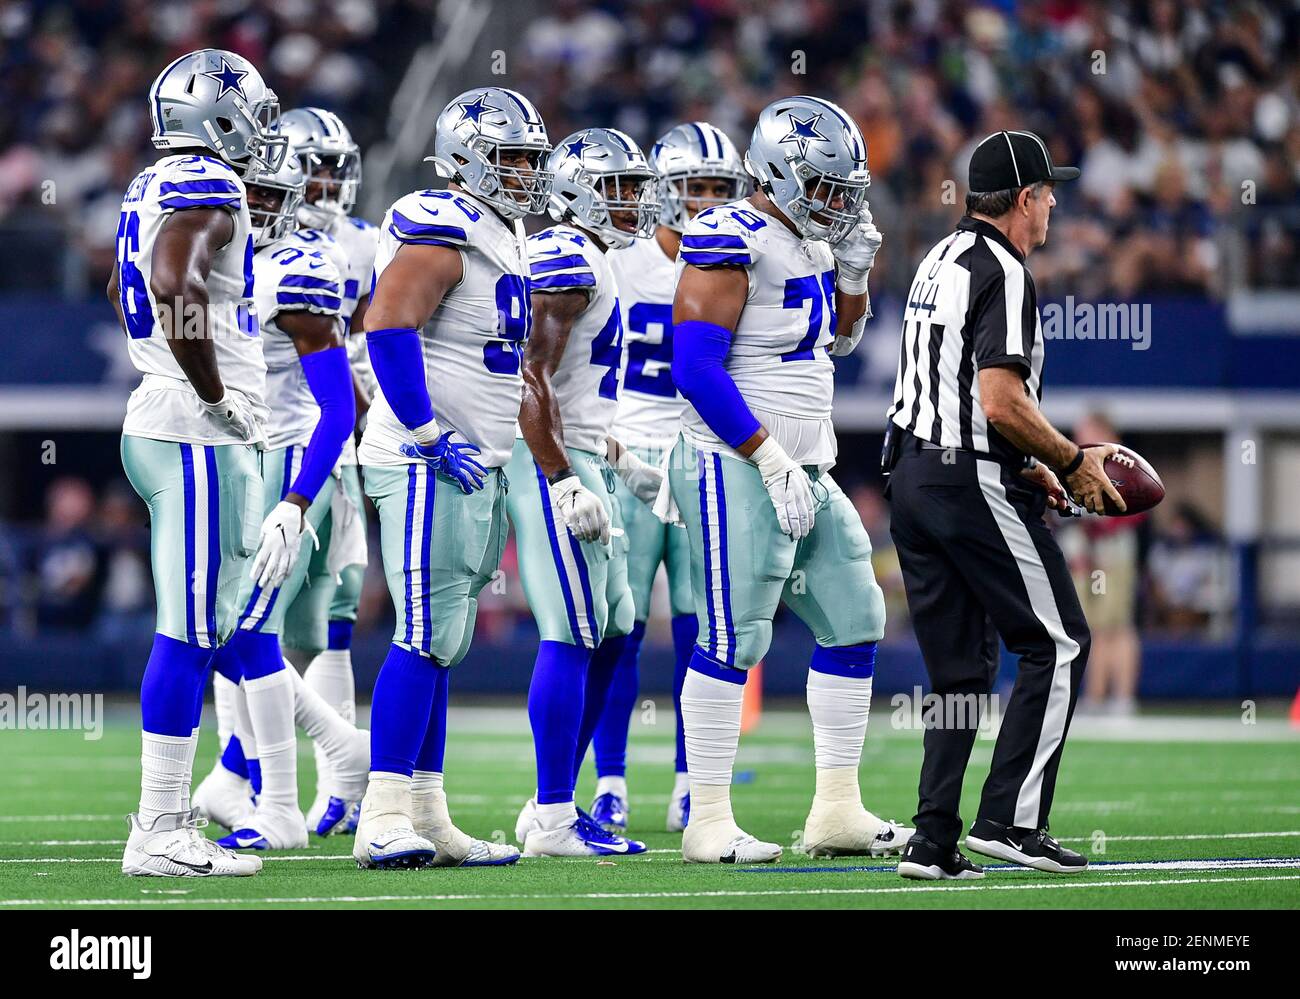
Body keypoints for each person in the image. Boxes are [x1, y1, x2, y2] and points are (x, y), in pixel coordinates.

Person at [667, 95, 910, 864]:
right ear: (777, 172)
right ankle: (706, 816)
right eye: (827, 187)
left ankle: (837, 807)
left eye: (847, 188)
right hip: (734, 460)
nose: (840, 203)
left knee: (855, 612)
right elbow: (695, 367)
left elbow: (837, 338)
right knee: (733, 635)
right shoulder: (728, 235)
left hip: (809, 464)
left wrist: (857, 271)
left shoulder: (804, 240)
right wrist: (766, 455)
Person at [885, 130, 1123, 880]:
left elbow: (958, 390)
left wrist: (1029, 462)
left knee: (958, 674)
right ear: (1025, 198)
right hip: (968, 478)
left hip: (914, 480)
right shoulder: (1005, 270)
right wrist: (1069, 458)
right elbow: (998, 397)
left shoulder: (938, 258)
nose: (1055, 202)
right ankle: (1013, 821)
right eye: (1049, 190)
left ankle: (931, 839)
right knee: (1058, 642)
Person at [353, 87, 552, 869]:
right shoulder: (443, 225)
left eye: (532, 160)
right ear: (468, 155)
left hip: (473, 460)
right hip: (424, 460)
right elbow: (387, 323)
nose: (526, 174)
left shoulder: (500, 231)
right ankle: (382, 813)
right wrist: (428, 431)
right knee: (420, 636)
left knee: (442, 641)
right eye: (512, 158)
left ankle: (427, 812)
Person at [110, 48, 286, 877]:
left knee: (203, 626)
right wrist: (213, 392)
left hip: (167, 425)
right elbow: (172, 284)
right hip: (193, 435)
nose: (263, 130)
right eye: (251, 112)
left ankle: (171, 817)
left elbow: (128, 294)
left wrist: (167, 364)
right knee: (186, 633)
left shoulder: (150, 184)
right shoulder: (206, 184)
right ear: (215, 118)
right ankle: (159, 828)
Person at [192, 147, 366, 851]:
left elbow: (337, 408)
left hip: (293, 457)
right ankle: (338, 746)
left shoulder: (299, 266)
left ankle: (281, 804)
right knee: (235, 631)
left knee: (251, 631)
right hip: (245, 457)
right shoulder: (222, 259)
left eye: (272, 196)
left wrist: (297, 502)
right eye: (248, 195)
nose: (258, 210)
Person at [584, 121, 749, 834]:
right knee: (617, 624)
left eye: (720, 188)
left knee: (700, 623)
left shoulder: (743, 263)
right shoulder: (618, 262)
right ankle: (611, 777)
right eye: (695, 188)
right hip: (627, 453)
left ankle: (691, 779)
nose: (708, 202)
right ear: (662, 192)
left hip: (701, 453)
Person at [508, 127, 660, 857]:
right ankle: (551, 812)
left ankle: (558, 800)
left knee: (618, 625)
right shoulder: (565, 256)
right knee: (571, 626)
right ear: (577, 193)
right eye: (620, 187)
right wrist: (562, 477)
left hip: (580, 453)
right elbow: (529, 379)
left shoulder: (595, 258)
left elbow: (572, 390)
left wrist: (616, 456)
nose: (634, 201)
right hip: (544, 459)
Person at [276, 108, 379, 832]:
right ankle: (248, 777)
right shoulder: (257, 242)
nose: (324, 180)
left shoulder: (366, 243)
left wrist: (369, 379)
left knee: (336, 607)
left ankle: (334, 787)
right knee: (255, 620)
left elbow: (381, 326)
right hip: (275, 435)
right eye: (312, 165)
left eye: (333, 165)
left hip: (340, 438)